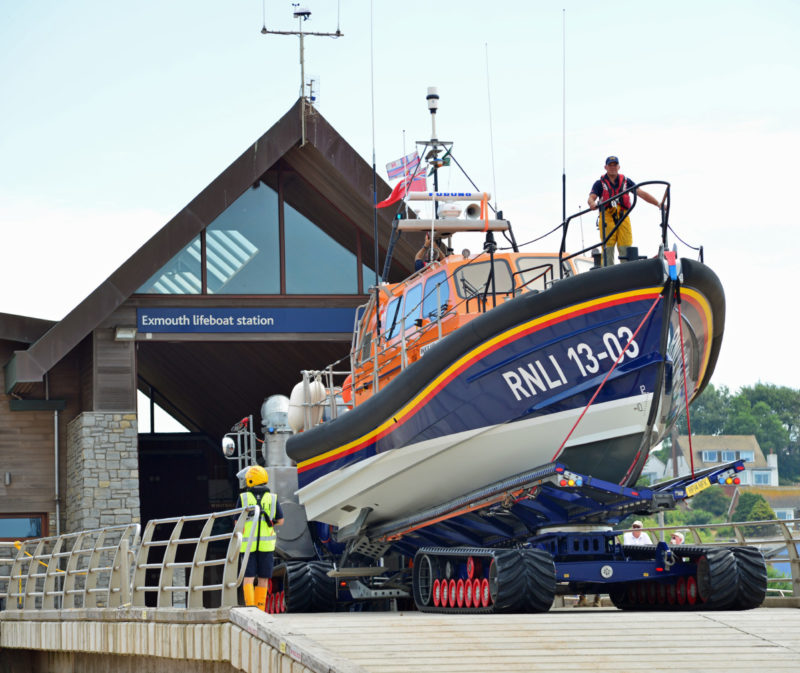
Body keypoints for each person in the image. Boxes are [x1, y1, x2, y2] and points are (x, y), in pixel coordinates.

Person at [588, 156, 662, 266]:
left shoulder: (626, 181)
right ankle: (607, 273)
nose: (612, 167)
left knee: (626, 247)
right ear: (605, 167)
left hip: (623, 217)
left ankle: (627, 271)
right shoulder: (599, 184)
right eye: (610, 165)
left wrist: (659, 204)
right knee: (608, 248)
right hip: (607, 218)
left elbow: (641, 193)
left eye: (615, 165)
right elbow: (591, 198)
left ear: (619, 167)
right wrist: (592, 204)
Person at [238, 465, 284, 611]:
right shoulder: (272, 498)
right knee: (264, 578)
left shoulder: (244, 498)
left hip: (247, 546)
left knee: (248, 578)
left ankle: (250, 608)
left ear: (250, 480)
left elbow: (235, 521)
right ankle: (260, 609)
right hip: (267, 546)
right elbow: (281, 520)